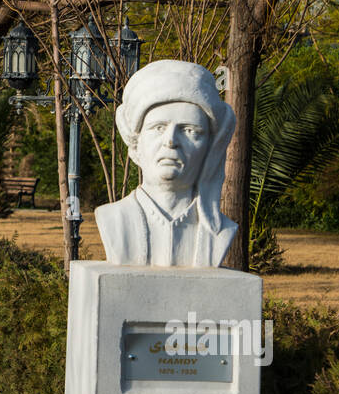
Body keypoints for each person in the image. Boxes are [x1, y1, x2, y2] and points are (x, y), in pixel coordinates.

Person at [94, 59, 238, 267]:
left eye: (189, 130)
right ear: (136, 145)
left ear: (209, 148)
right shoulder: (113, 220)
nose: (171, 141)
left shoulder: (221, 230)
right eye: (158, 127)